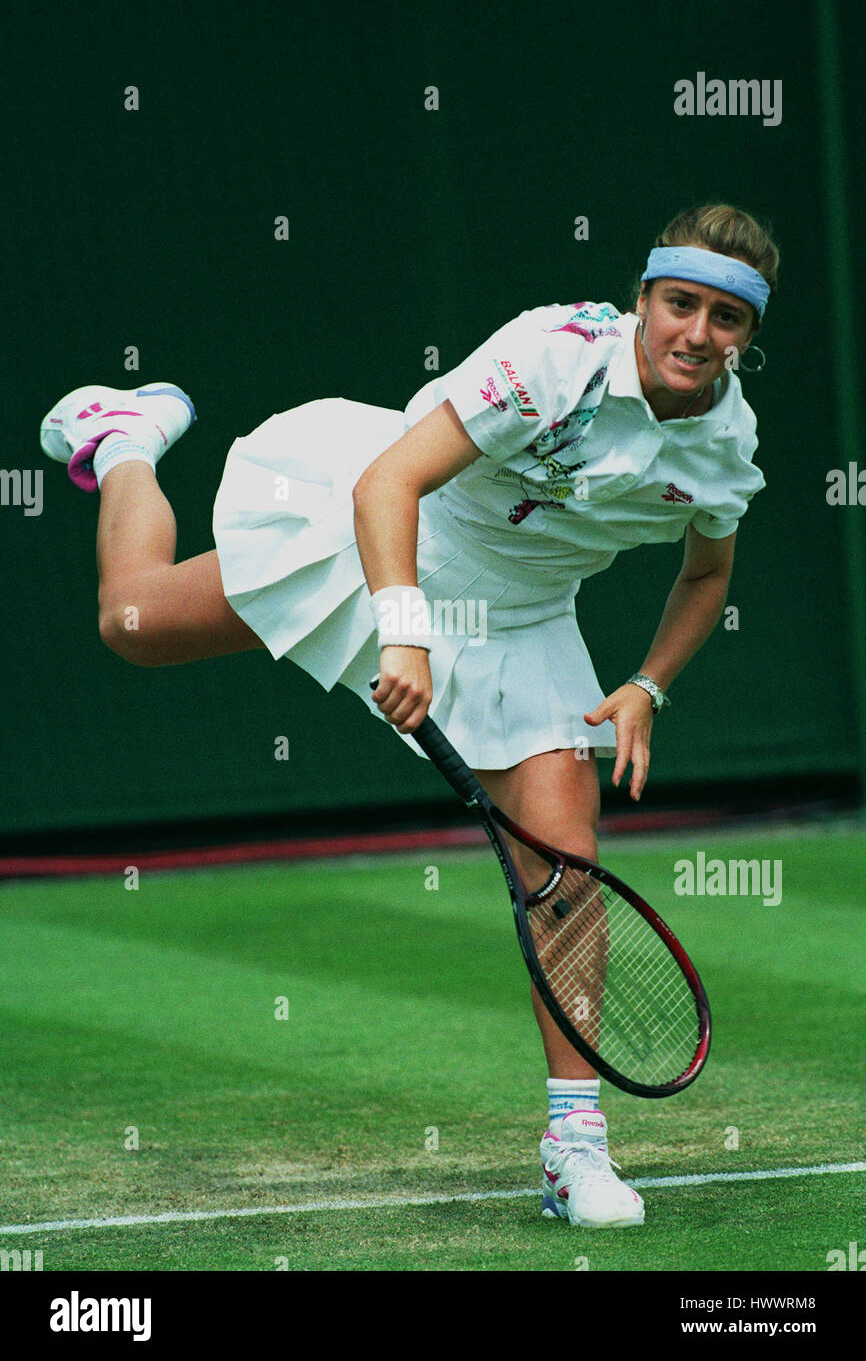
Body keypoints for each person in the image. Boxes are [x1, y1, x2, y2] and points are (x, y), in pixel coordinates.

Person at [39, 201, 778, 1229]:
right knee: (132, 622)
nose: (695, 334)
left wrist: (646, 685)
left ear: (748, 334)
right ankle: (126, 442)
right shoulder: (551, 356)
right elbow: (392, 476)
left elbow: (706, 573)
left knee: (563, 868)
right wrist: (405, 626)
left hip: (524, 621)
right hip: (383, 531)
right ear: (641, 301)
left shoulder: (724, 445)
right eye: (677, 304)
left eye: (724, 318)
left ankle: (574, 1148)